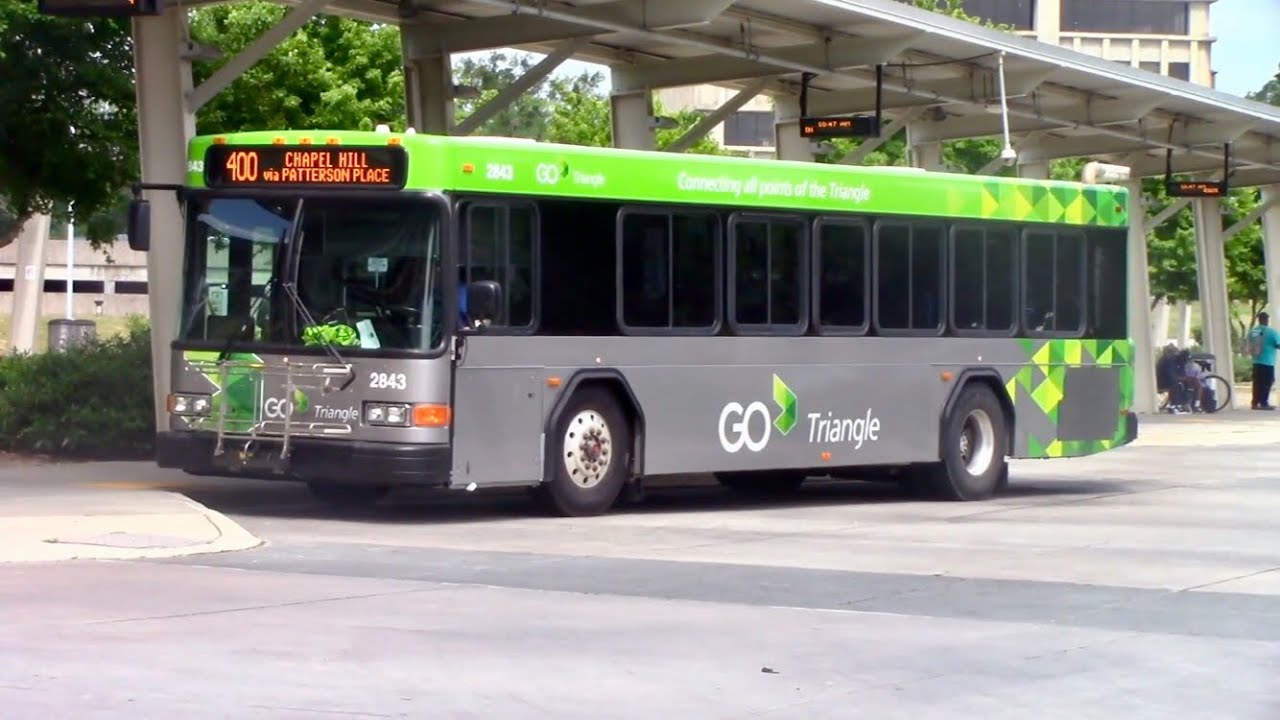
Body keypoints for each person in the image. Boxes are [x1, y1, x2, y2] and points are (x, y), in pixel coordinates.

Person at [1247, 311, 1280, 410]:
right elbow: (1278, 344)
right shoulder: (1271, 332)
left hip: (1256, 361)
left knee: (1257, 382)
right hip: (1268, 361)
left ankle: (1254, 403)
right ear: (1266, 320)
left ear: (1258, 319)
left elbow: (1249, 344)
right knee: (1267, 382)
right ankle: (1264, 403)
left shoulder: (1252, 332)